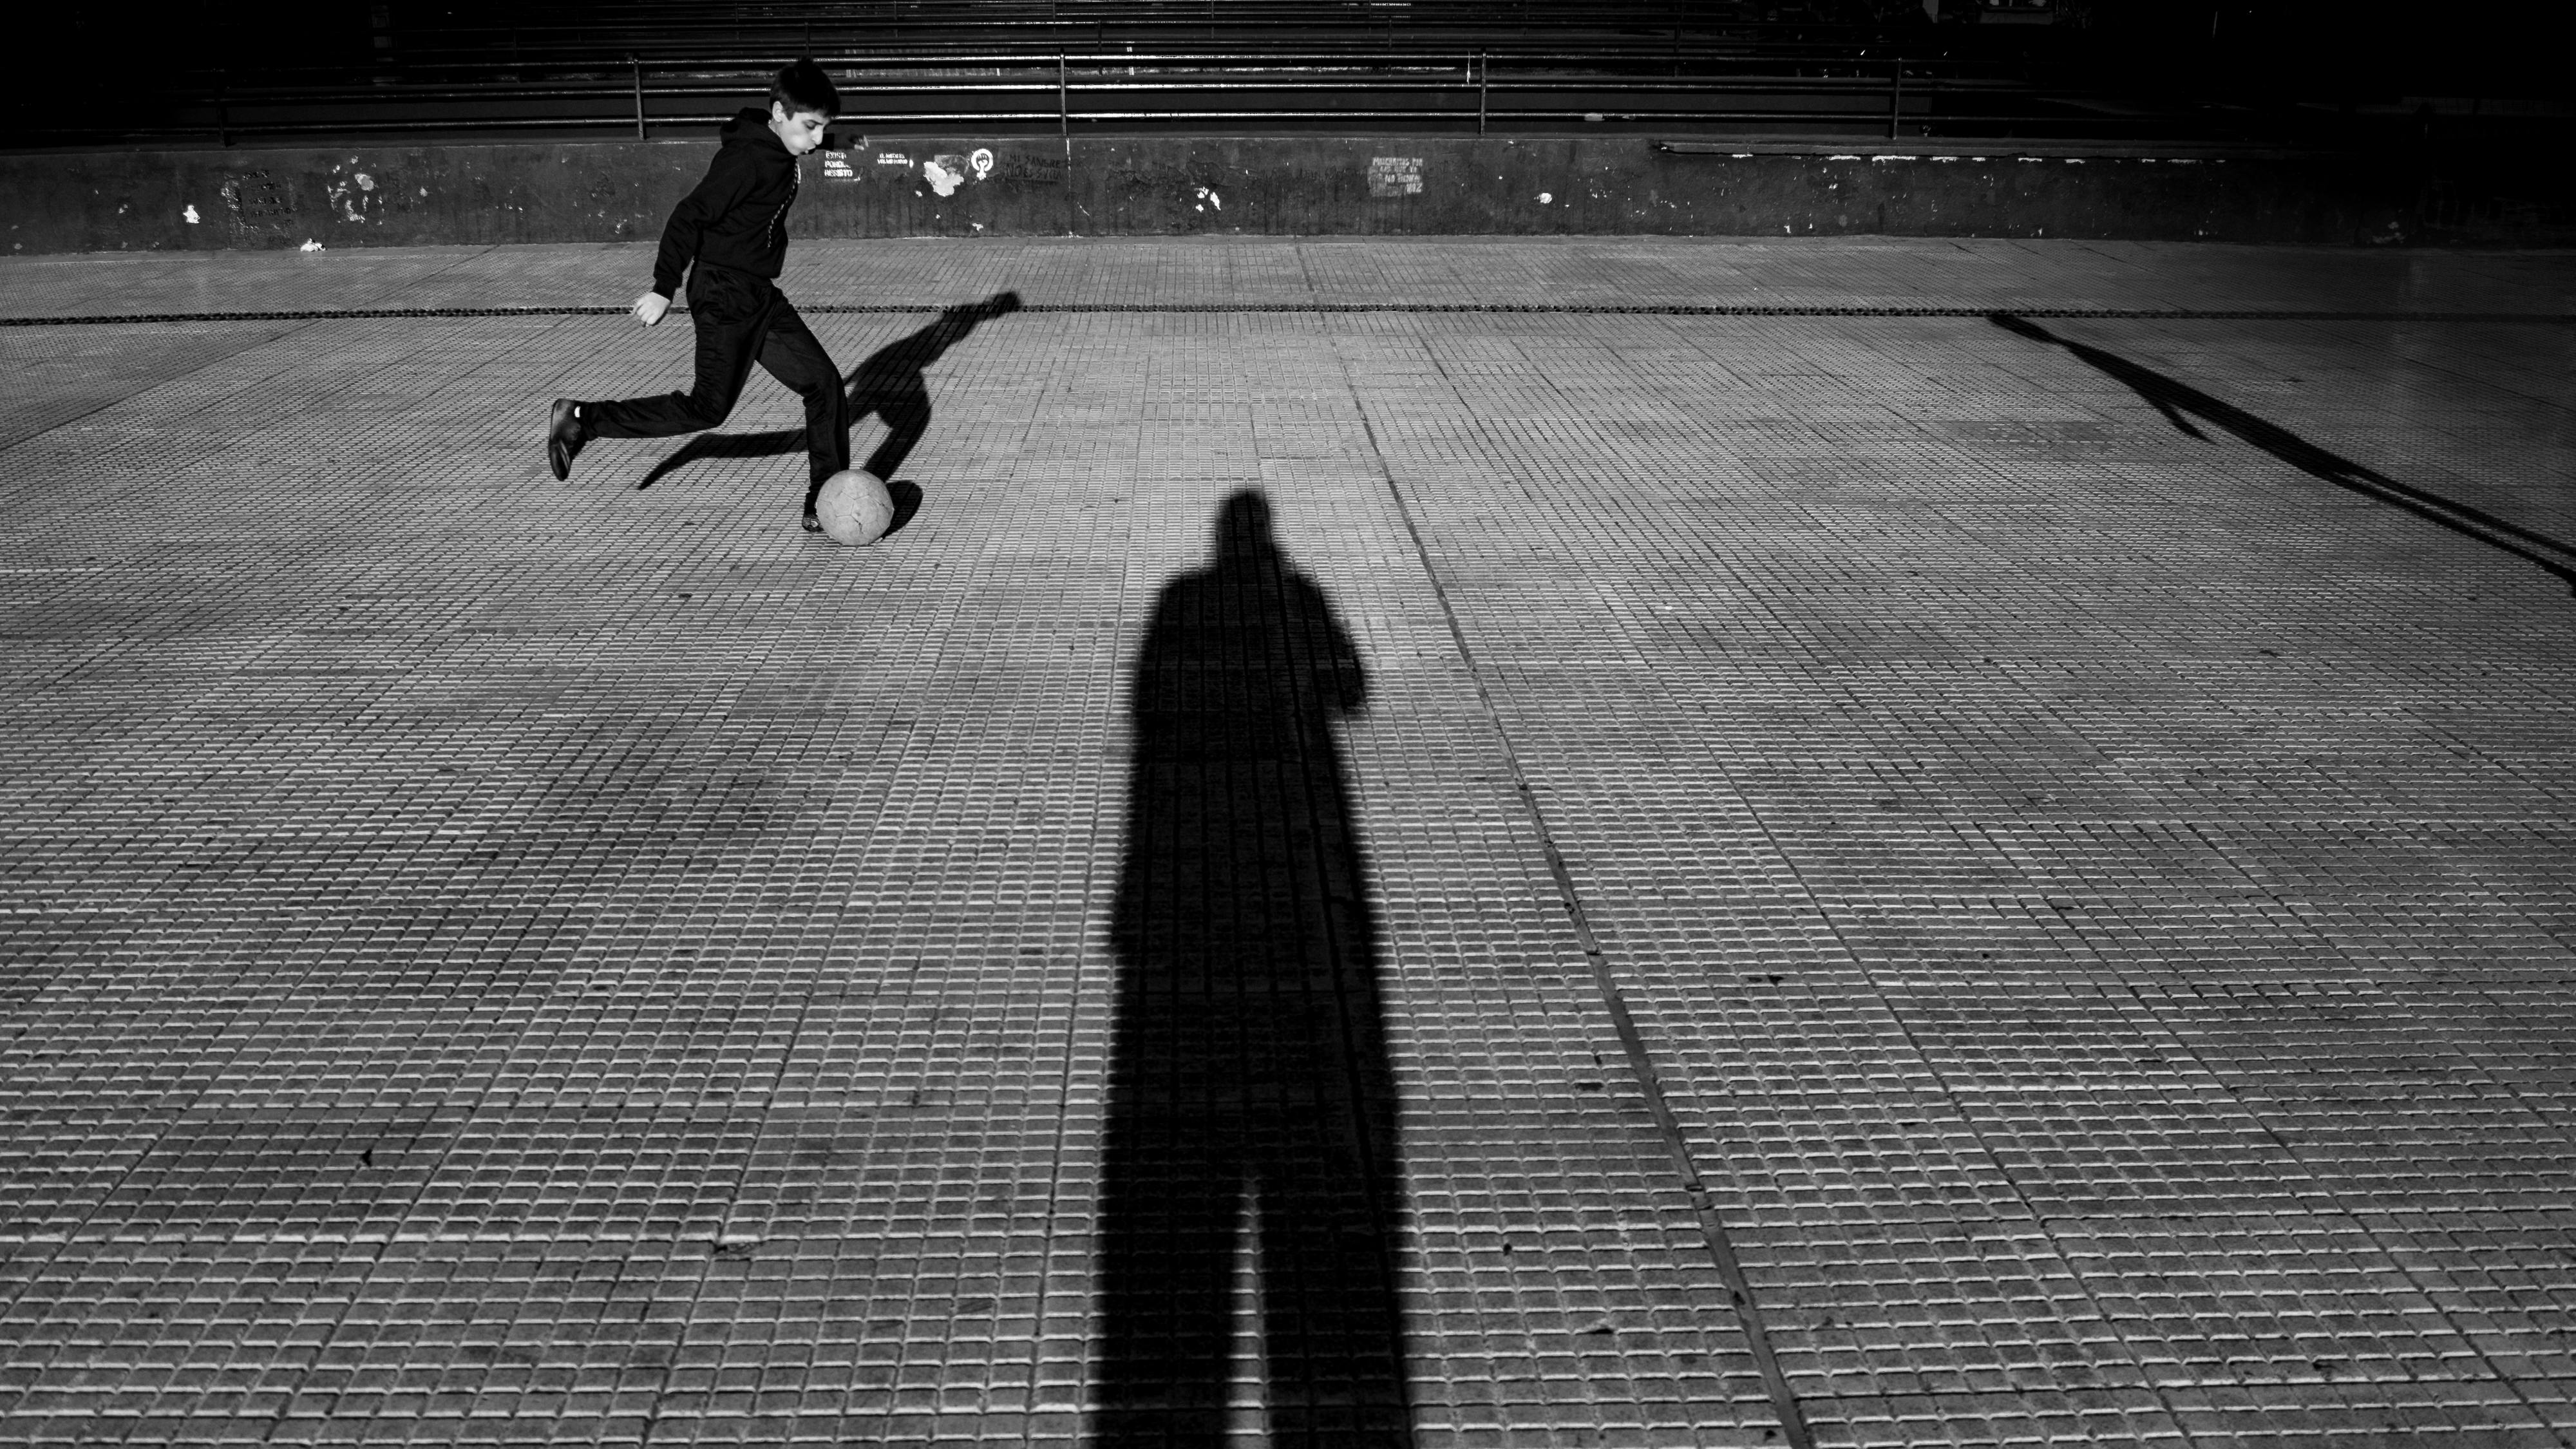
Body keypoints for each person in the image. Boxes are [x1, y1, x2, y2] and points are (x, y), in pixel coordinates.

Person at [547, 59, 852, 531]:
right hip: (724, 293)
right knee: (708, 408)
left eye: (823, 129)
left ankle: (826, 499)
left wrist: (839, 138)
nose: (816, 139)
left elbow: (793, 142)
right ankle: (583, 418)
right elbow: (688, 216)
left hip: (757, 293)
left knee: (824, 385)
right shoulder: (746, 159)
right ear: (779, 114)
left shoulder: (776, 144)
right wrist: (662, 288)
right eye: (811, 127)